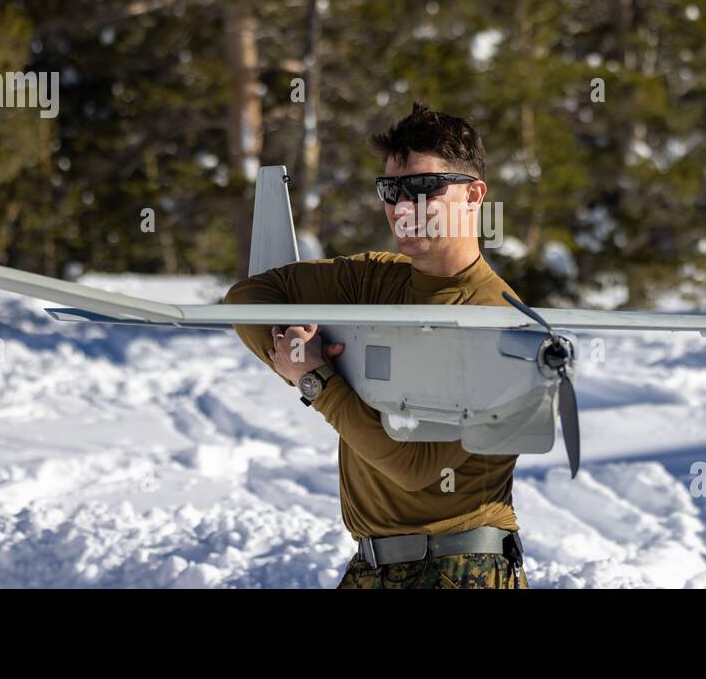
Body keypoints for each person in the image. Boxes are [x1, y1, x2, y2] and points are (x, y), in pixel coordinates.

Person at [223, 102, 529, 589]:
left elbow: (415, 466)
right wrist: (299, 357)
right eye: (392, 190)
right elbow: (250, 297)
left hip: (461, 567)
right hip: (373, 564)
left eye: (426, 188)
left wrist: (317, 380)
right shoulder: (372, 278)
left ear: (474, 195)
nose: (404, 207)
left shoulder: (493, 316)